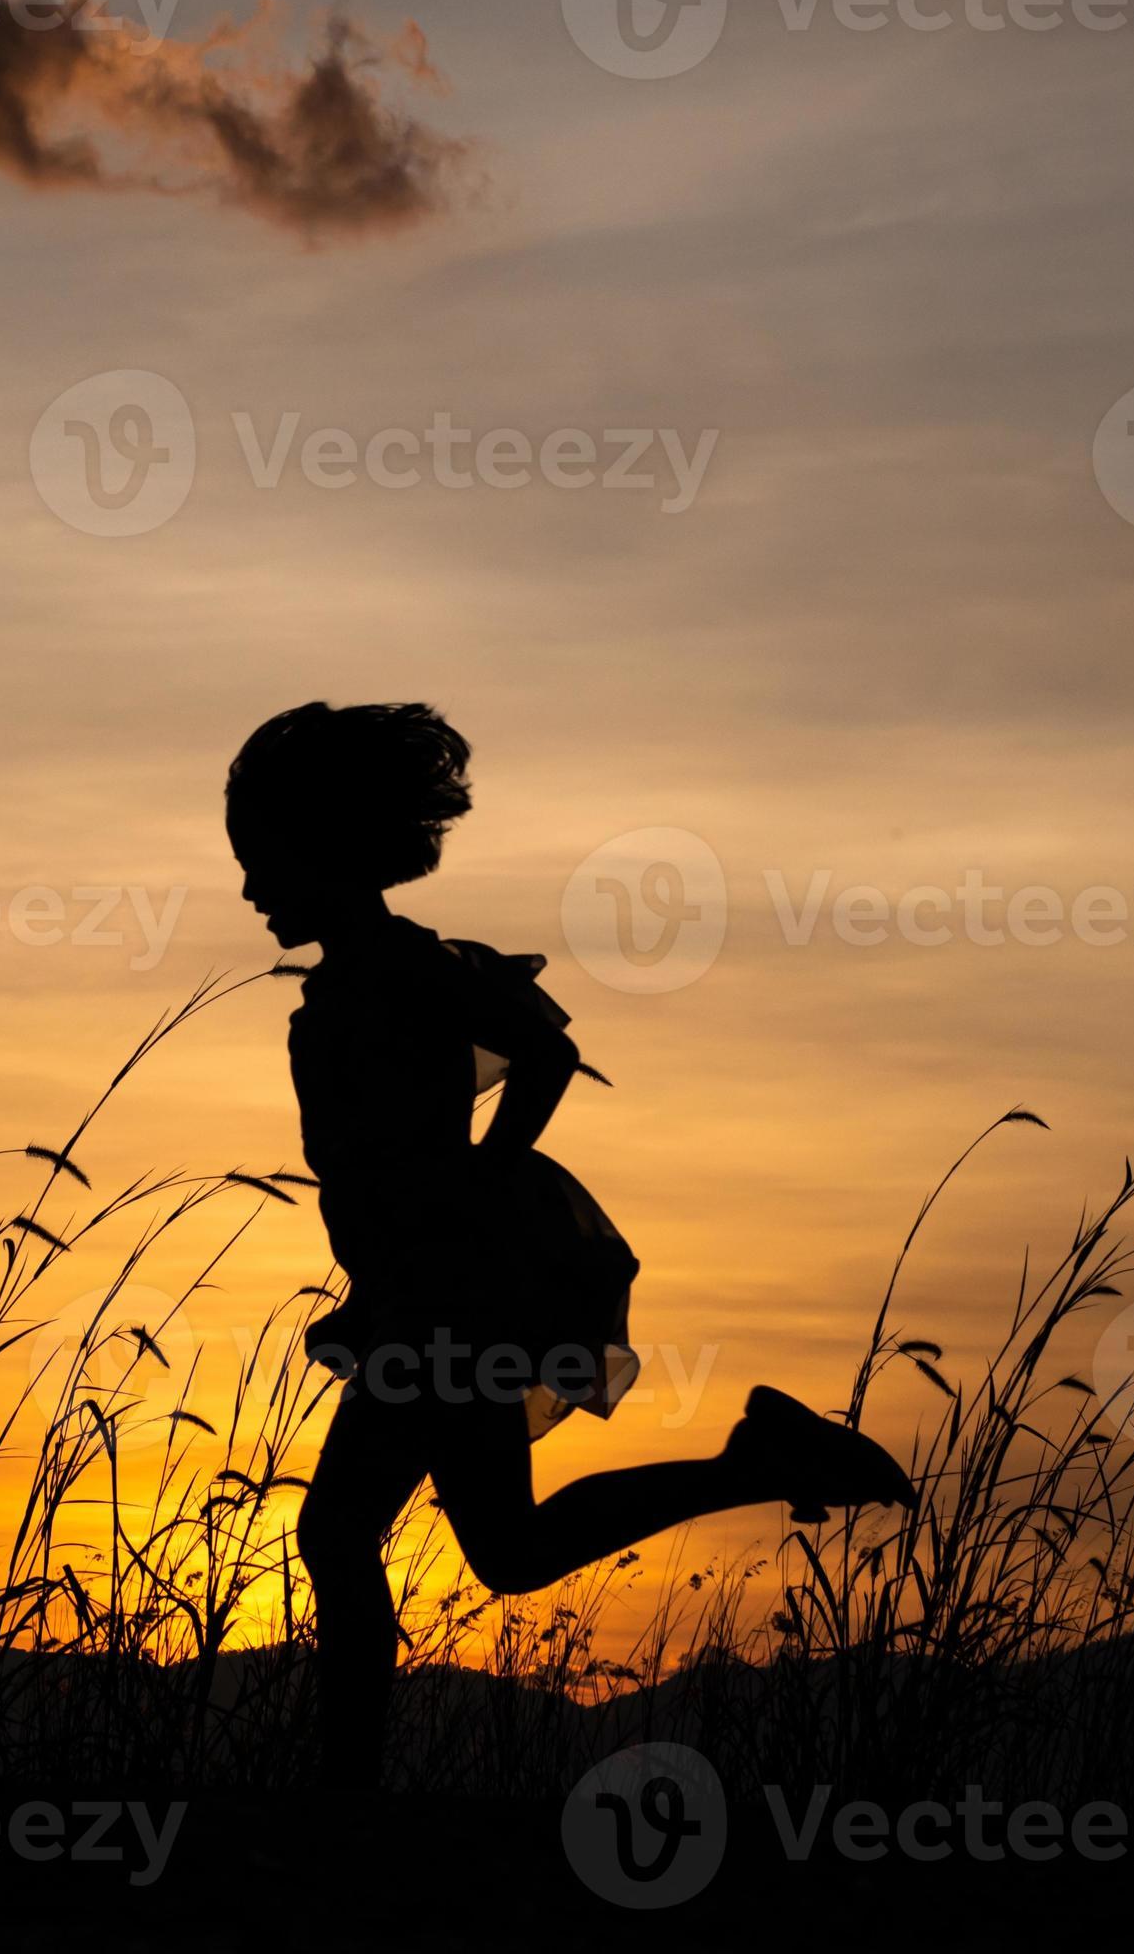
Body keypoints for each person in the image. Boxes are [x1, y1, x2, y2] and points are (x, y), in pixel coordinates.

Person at [227, 701, 914, 1789]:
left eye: (264, 860)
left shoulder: (402, 968)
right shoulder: (367, 972)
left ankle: (342, 1795)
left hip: (445, 1299)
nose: (254, 888)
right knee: (505, 1549)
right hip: (423, 1292)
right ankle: (757, 1462)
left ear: (327, 851)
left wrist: (481, 1181)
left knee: (341, 1533)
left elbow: (544, 1053)